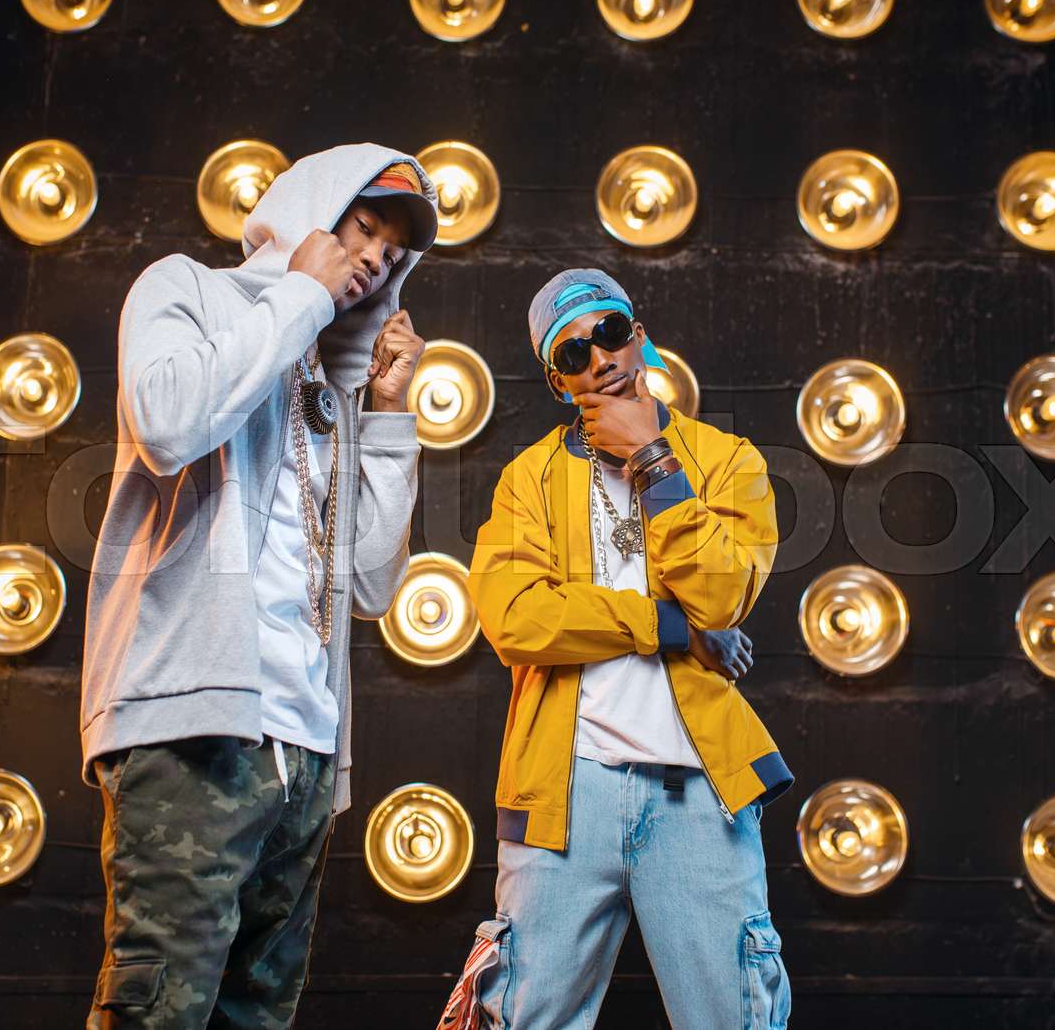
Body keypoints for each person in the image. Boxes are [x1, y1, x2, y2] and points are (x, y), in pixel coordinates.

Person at [79, 143, 436, 1028]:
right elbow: (165, 424)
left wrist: (386, 415)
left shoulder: (333, 390)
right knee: (158, 1010)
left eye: (391, 260)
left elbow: (368, 583)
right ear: (312, 205)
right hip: (196, 723)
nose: (371, 263)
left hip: (305, 750)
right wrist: (301, 294)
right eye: (362, 230)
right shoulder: (188, 291)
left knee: (255, 1017)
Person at [442, 268, 794, 1029]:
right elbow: (515, 619)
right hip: (565, 791)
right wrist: (668, 627)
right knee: (525, 1016)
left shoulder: (728, 461)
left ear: (638, 334)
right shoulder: (528, 479)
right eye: (573, 353)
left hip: (698, 793)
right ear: (556, 380)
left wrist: (654, 460)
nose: (598, 358)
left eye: (609, 332)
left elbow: (723, 593)